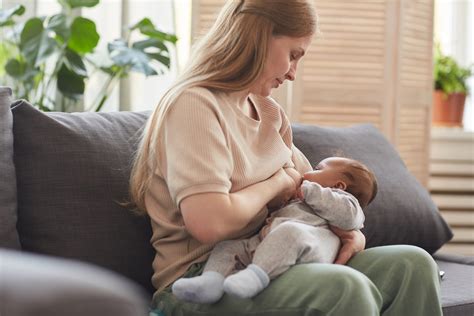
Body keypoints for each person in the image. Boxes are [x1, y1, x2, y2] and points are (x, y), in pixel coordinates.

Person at [129, 0, 443, 315]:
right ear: (259, 37)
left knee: (412, 264)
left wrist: (354, 235)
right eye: (293, 55)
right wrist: (276, 181)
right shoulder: (195, 105)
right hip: (205, 279)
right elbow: (210, 222)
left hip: (278, 258)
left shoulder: (270, 114)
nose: (292, 73)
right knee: (343, 288)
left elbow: (312, 191)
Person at [172, 157, 377, 303]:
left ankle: (256, 277)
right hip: (268, 241)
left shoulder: (344, 201)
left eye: (317, 168)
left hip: (306, 245)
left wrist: (309, 190)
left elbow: (349, 219)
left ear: (338, 186)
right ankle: (211, 281)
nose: (307, 172)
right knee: (229, 248)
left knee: (290, 232)